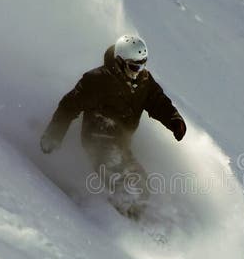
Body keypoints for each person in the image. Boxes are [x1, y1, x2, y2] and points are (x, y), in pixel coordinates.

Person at [40, 35, 186, 218]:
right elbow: (69, 106)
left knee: (141, 183)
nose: (139, 70)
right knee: (120, 178)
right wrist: (54, 135)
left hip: (121, 143)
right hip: (98, 139)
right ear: (120, 62)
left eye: (143, 64)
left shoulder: (143, 81)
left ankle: (137, 219)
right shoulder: (97, 81)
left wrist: (174, 120)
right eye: (134, 66)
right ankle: (111, 219)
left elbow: (159, 102)